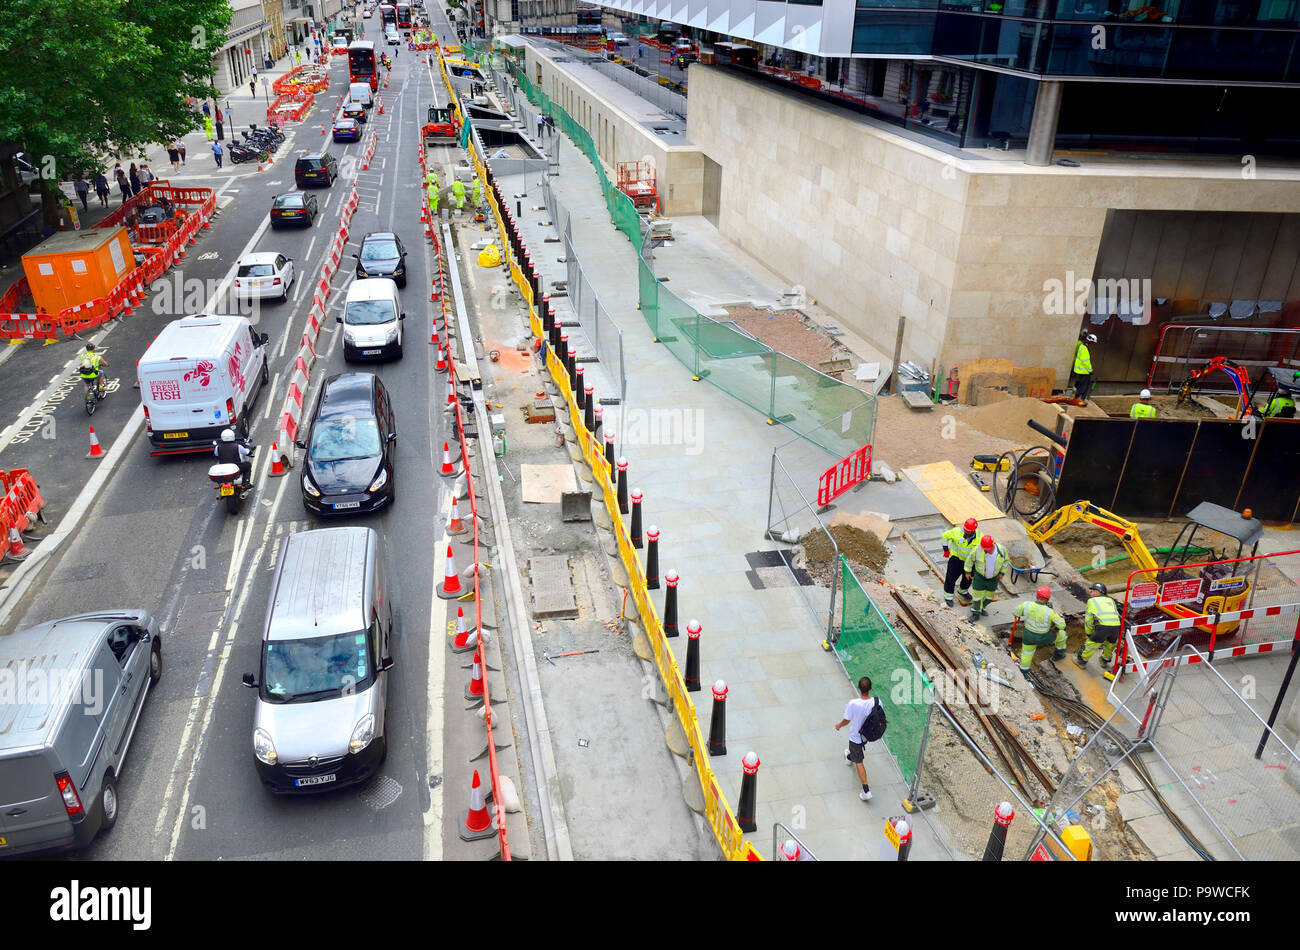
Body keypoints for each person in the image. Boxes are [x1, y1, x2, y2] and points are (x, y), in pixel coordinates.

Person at [834, 676, 878, 802]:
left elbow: (847, 720)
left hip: (856, 736)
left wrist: (839, 725)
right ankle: (849, 757)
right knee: (854, 752)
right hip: (868, 735)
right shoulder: (877, 702)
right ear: (870, 688)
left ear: (858, 687)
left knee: (859, 761)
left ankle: (866, 790)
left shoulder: (853, 704)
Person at [1011, 586, 1067, 679]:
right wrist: (1055, 628)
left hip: (1028, 635)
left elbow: (1015, 613)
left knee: (1026, 654)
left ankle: (1023, 673)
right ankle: (1059, 654)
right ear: (1047, 599)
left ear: (1037, 596)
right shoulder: (1050, 612)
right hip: (1044, 637)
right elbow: (1062, 626)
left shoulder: (1026, 605)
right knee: (1062, 636)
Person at [1076, 582, 1121, 672]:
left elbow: (1088, 620)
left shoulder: (1092, 601)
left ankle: (1081, 661)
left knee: (1091, 645)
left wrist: (1089, 633)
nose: (1090, 593)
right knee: (1110, 644)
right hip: (1116, 627)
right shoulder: (1110, 600)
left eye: (1092, 591)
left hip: (1104, 628)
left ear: (1097, 592)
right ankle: (1104, 660)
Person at [963, 534, 1008, 622]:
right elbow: (969, 560)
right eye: (984, 548)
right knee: (977, 597)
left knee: (989, 597)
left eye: (987, 548)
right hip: (980, 577)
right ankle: (975, 613)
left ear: (992, 544)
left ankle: (981, 608)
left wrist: (1002, 572)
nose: (986, 550)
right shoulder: (977, 550)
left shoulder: (1001, 550)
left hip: (993, 578)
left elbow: (1006, 561)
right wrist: (967, 571)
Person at [940, 517, 979, 607]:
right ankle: (948, 597)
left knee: (968, 579)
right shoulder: (956, 531)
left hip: (970, 563)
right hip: (956, 560)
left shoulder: (980, 537)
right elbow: (944, 536)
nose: (966, 531)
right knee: (951, 578)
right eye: (965, 529)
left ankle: (963, 591)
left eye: (968, 530)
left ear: (974, 530)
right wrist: (946, 550)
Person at [1073, 331, 1097, 401]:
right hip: (1084, 371)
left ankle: (1078, 398)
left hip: (1081, 370)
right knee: (1083, 386)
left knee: (1082, 385)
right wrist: (1090, 370)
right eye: (1093, 343)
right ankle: (1079, 399)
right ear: (1090, 342)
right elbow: (1086, 362)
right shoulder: (1085, 349)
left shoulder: (1081, 346)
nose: (1093, 344)